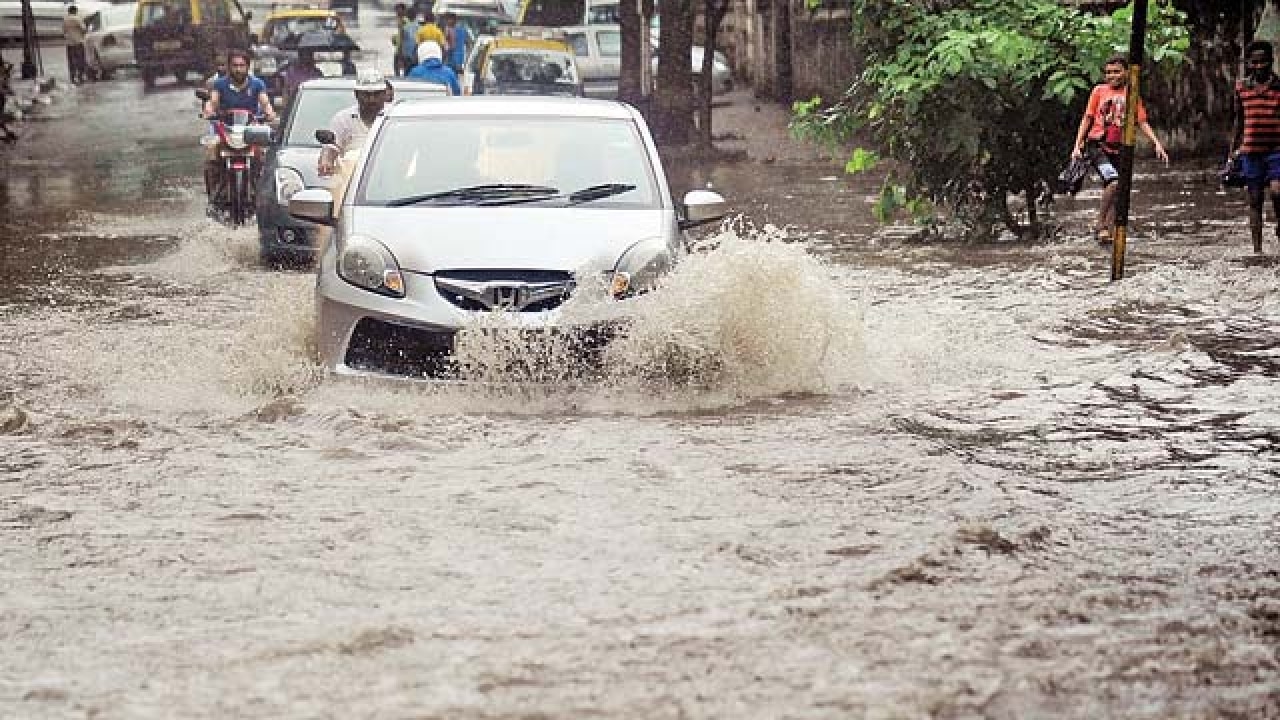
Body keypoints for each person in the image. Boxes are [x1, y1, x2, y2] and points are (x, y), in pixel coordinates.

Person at [1071, 53, 1169, 245]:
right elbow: (1087, 118)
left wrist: (1156, 143)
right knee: (1114, 182)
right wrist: (1077, 144)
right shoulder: (1099, 91)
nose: (1112, 76)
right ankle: (1100, 223)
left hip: (1121, 148)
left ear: (1126, 73)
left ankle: (1107, 231)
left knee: (1119, 191)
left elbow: (1141, 121)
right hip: (1097, 144)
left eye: (1116, 72)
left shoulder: (1132, 94)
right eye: (1108, 72)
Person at [202, 49, 278, 201]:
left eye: (242, 65)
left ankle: (266, 194)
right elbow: (213, 102)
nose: (238, 69)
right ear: (229, 67)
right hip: (226, 130)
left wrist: (270, 113)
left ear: (248, 67)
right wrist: (209, 111)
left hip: (251, 132)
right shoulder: (220, 84)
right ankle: (214, 192)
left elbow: (265, 103)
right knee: (211, 152)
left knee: (266, 158)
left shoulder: (257, 84)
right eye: (235, 65)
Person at [1230, 40, 1280, 255]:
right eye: (1255, 62)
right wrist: (1232, 152)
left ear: (1271, 62)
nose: (1259, 66)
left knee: (1278, 192)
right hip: (1250, 151)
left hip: (1277, 150)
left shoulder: (1279, 86)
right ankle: (1257, 250)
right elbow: (1238, 121)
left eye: (1264, 62)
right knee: (1255, 199)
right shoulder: (1241, 87)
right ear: (1249, 63)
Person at [317, 69, 391, 177]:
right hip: (351, 181)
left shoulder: (394, 117)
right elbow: (331, 148)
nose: (372, 100)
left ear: (385, 94)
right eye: (366, 94)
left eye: (376, 94)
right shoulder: (342, 119)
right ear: (356, 94)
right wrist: (326, 161)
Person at [63, 4, 88, 85]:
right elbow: (84, 29)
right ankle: (80, 77)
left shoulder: (65, 20)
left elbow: (64, 32)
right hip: (78, 42)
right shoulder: (77, 19)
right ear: (75, 11)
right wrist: (83, 35)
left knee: (71, 61)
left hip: (69, 43)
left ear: (69, 11)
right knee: (80, 60)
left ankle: (72, 78)